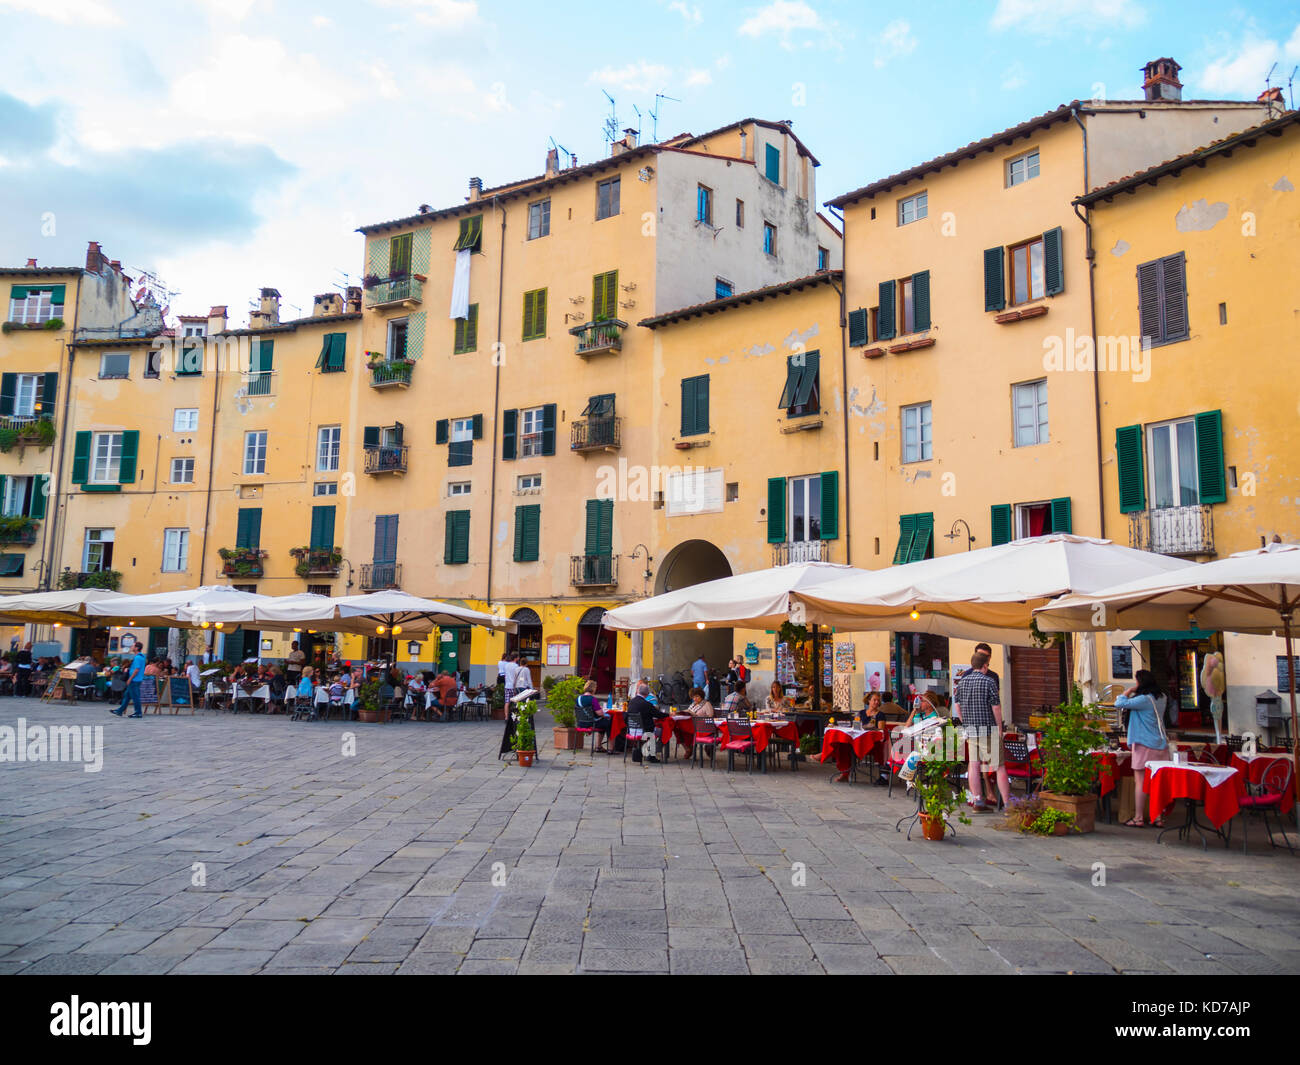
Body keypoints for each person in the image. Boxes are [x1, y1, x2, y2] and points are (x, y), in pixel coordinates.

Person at [953, 651, 1010, 811]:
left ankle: (977, 801)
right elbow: (996, 707)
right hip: (988, 729)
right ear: (985, 665)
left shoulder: (962, 683)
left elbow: (957, 705)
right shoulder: (989, 682)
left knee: (974, 765)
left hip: (971, 729)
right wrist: (999, 728)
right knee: (999, 766)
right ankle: (1007, 804)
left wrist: (965, 721)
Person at [1116, 669, 1170, 828]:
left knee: (1140, 781)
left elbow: (1119, 703)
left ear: (1141, 683)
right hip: (1160, 744)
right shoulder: (1162, 698)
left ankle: (1139, 817)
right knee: (1156, 782)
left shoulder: (1143, 700)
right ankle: (1158, 817)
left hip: (1143, 744)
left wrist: (1129, 690)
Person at [628, 682, 667, 763]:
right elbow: (658, 715)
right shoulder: (646, 704)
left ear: (638, 691)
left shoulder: (631, 702)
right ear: (647, 693)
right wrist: (669, 714)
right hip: (643, 732)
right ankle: (651, 755)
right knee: (661, 731)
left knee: (652, 730)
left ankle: (647, 751)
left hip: (631, 730)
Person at [111, 640, 147, 718]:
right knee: (127, 696)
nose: (131, 647)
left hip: (134, 680)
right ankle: (120, 710)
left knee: (135, 697)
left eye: (133, 646)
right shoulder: (142, 657)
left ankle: (138, 712)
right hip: (137, 679)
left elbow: (136, 669)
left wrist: (130, 679)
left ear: (137, 648)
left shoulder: (137, 658)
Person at [578, 680, 611, 752]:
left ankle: (599, 746)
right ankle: (610, 748)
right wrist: (606, 715)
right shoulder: (593, 699)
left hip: (581, 723)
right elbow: (600, 714)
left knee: (603, 723)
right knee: (609, 723)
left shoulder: (579, 698)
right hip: (592, 723)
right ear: (593, 689)